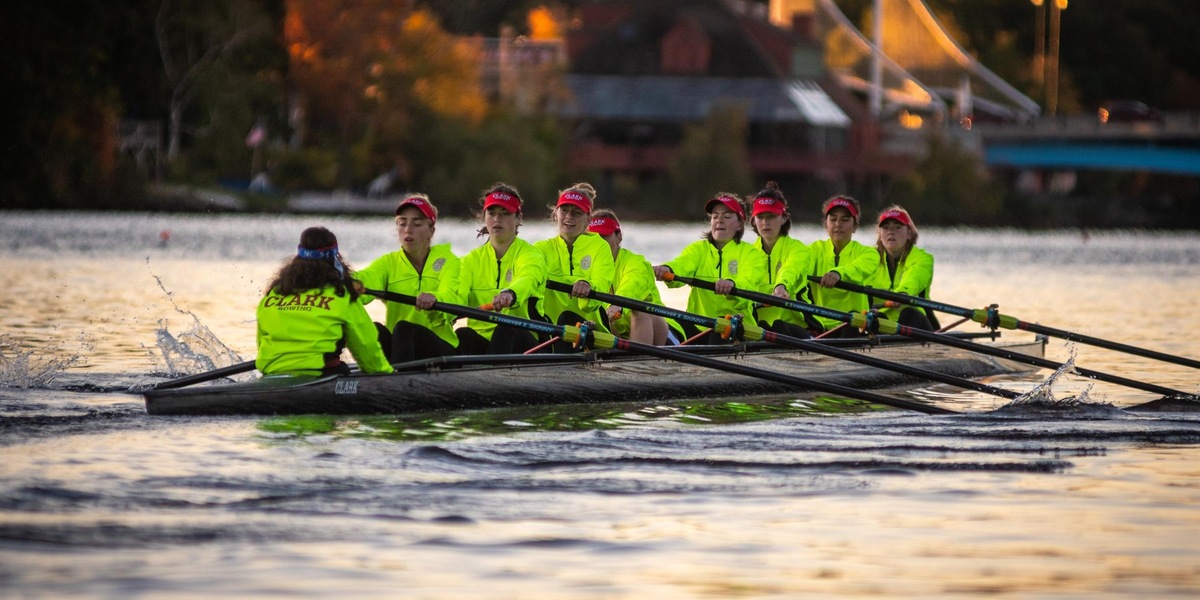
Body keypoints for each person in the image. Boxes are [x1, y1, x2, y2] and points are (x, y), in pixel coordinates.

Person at [255, 226, 392, 377]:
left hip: (273, 374)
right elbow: (367, 346)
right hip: (321, 374)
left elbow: (261, 344)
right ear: (335, 260)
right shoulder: (341, 295)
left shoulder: (275, 293)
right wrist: (387, 376)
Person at [356, 193, 461, 363]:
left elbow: (453, 296)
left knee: (404, 328)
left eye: (417, 223)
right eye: (402, 223)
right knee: (372, 329)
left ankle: (396, 382)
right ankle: (375, 378)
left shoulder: (449, 261)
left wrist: (436, 299)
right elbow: (365, 280)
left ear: (431, 230)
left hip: (441, 349)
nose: (408, 229)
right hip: (401, 348)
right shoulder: (388, 263)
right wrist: (346, 281)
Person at [653, 193, 768, 343]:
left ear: (739, 224)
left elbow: (749, 283)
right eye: (715, 216)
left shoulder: (751, 254)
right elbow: (682, 264)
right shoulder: (698, 249)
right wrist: (667, 269)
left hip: (734, 327)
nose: (719, 220)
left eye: (727, 216)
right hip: (698, 324)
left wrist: (732, 285)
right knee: (666, 326)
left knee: (720, 327)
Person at [455, 183, 547, 355]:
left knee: (506, 325)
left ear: (518, 218)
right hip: (484, 342)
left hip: (527, 343)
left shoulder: (531, 255)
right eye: (492, 213)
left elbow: (527, 278)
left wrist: (510, 293)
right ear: (484, 216)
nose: (497, 219)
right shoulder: (469, 261)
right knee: (463, 334)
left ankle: (489, 378)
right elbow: (457, 293)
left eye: (505, 214)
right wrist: (445, 306)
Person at [534, 183, 616, 351]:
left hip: (591, 331)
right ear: (556, 214)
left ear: (588, 219)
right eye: (564, 211)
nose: (569, 217)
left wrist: (588, 285)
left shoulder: (600, 247)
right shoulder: (540, 249)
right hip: (549, 329)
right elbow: (528, 276)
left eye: (576, 213)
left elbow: (602, 282)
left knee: (566, 318)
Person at [588, 209, 680, 345]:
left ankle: (638, 364)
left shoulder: (637, 263)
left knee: (639, 311)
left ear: (619, 237)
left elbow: (633, 283)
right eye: (594, 239)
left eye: (604, 237)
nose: (599, 244)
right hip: (621, 333)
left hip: (661, 333)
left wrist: (617, 304)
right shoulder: (587, 268)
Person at [804, 195, 881, 337]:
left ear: (855, 226)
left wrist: (838, 274)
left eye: (845, 220)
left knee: (851, 324)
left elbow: (859, 268)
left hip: (855, 325)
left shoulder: (869, 253)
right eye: (833, 219)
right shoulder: (813, 250)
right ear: (826, 225)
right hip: (821, 327)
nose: (838, 224)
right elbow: (798, 267)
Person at [747, 181, 813, 339]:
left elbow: (791, 269)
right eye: (760, 217)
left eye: (771, 216)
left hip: (796, 326)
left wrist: (781, 286)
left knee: (778, 325)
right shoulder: (747, 253)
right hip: (757, 328)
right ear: (753, 221)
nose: (765, 222)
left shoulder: (798, 249)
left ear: (784, 218)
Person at [867, 205, 940, 330]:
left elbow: (915, 278)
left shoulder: (922, 258)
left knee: (908, 313)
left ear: (909, 233)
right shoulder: (868, 257)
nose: (891, 231)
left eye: (897, 227)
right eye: (886, 227)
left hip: (916, 325)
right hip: (884, 324)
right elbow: (854, 271)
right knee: (873, 318)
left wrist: (903, 293)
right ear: (880, 234)